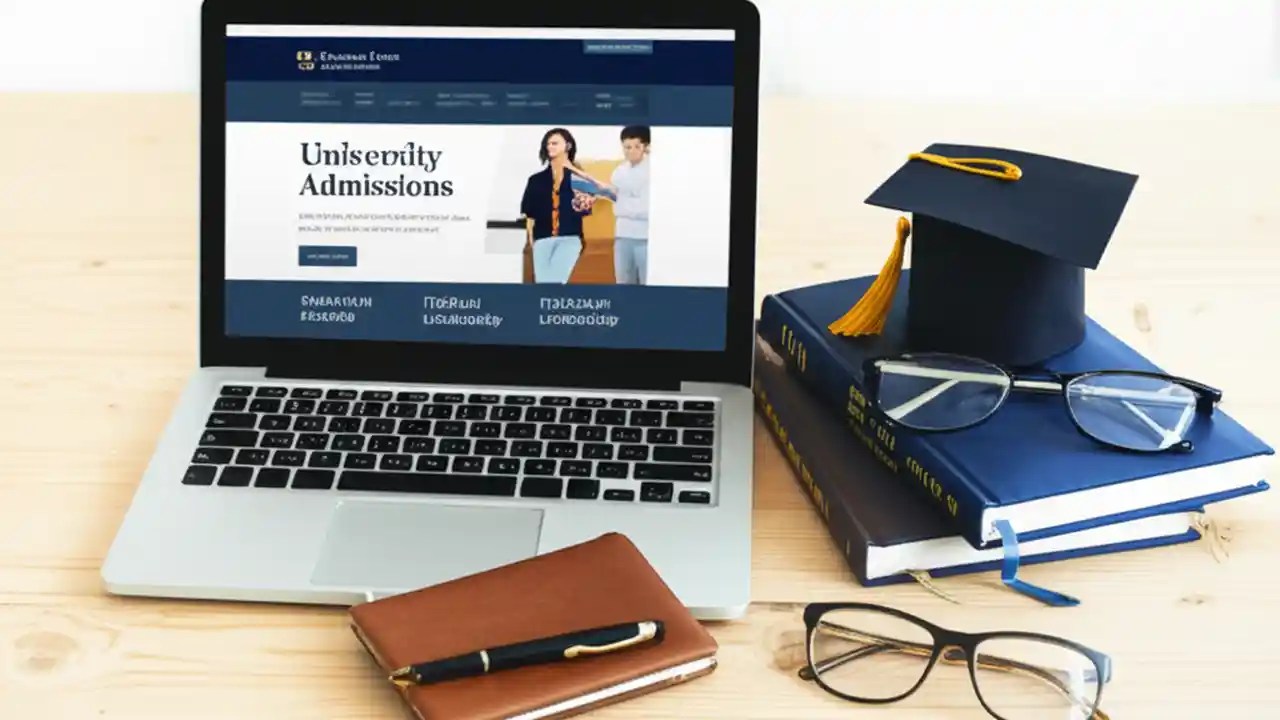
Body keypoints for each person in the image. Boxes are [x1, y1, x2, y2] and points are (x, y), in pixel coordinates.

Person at [519, 128, 597, 283]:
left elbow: (585, 211)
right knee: (543, 284)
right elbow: (529, 215)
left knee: (555, 282)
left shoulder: (578, 178)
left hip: (570, 238)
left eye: (555, 143)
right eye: (547, 143)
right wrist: (531, 242)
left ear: (568, 146)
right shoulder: (535, 180)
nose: (550, 147)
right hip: (542, 239)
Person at [605, 126, 650, 285]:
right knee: (623, 284)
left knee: (647, 284)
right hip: (622, 236)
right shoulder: (619, 171)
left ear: (646, 147)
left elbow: (648, 209)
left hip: (645, 237)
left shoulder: (654, 170)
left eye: (636, 146)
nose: (631, 151)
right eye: (627, 147)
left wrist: (621, 207)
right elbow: (614, 199)